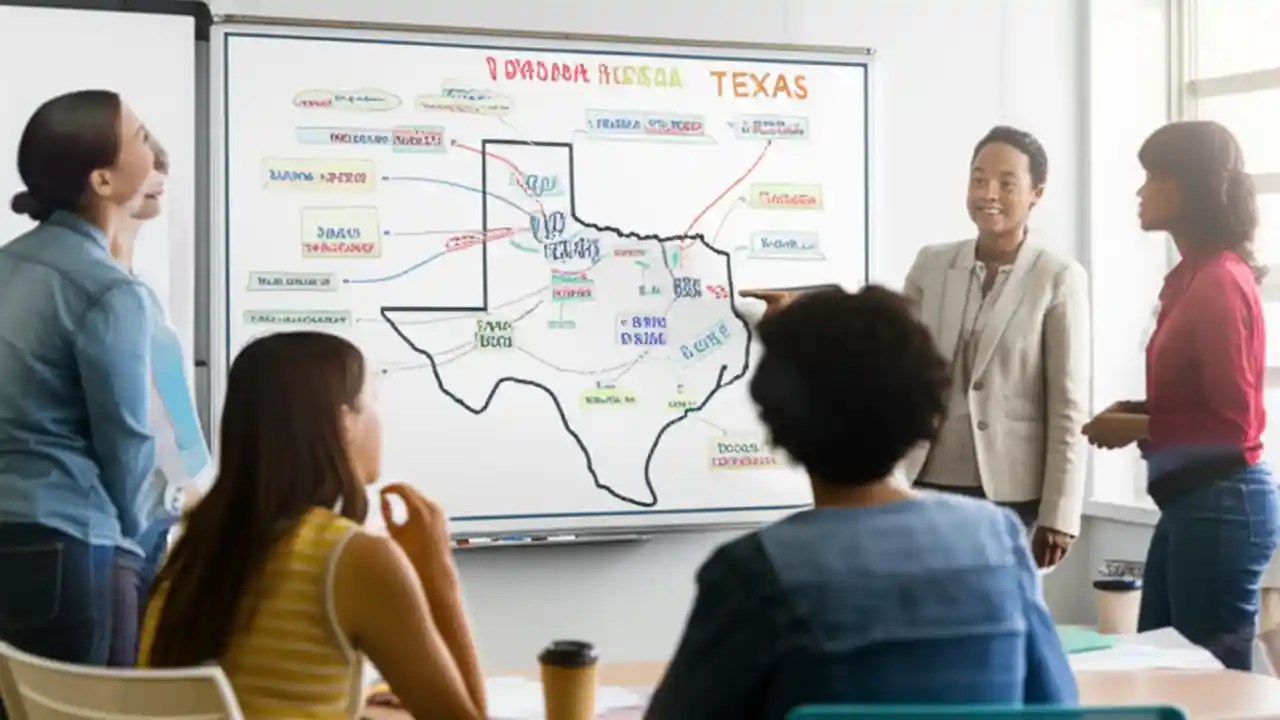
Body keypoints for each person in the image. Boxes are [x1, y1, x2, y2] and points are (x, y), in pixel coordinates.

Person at [645, 287, 1076, 719]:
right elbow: (1055, 706)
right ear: (928, 405)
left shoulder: (755, 570)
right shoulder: (998, 540)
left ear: (776, 419)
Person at [138, 332, 486, 720]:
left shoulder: (192, 553)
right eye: (373, 401)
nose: (382, 420)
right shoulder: (354, 559)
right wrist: (438, 576)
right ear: (344, 422)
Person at [1085, 120, 1279, 671]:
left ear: (1193, 187)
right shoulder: (1190, 276)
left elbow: (1234, 424)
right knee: (1164, 671)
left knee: (1208, 690)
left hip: (1222, 505)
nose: (1141, 191)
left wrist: (1139, 428)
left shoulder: (1219, 279)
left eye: (1156, 176)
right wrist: (1138, 411)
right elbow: (1203, 400)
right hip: (1193, 505)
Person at [0, 89, 156, 668]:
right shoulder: (109, 288)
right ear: (103, 181)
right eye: (139, 135)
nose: (151, 142)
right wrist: (143, 543)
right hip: (73, 547)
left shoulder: (8, 265)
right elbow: (127, 444)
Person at [105, 136, 213, 667]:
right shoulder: (104, 293)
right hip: (120, 531)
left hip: (149, 524)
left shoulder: (138, 288)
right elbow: (144, 421)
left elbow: (170, 410)